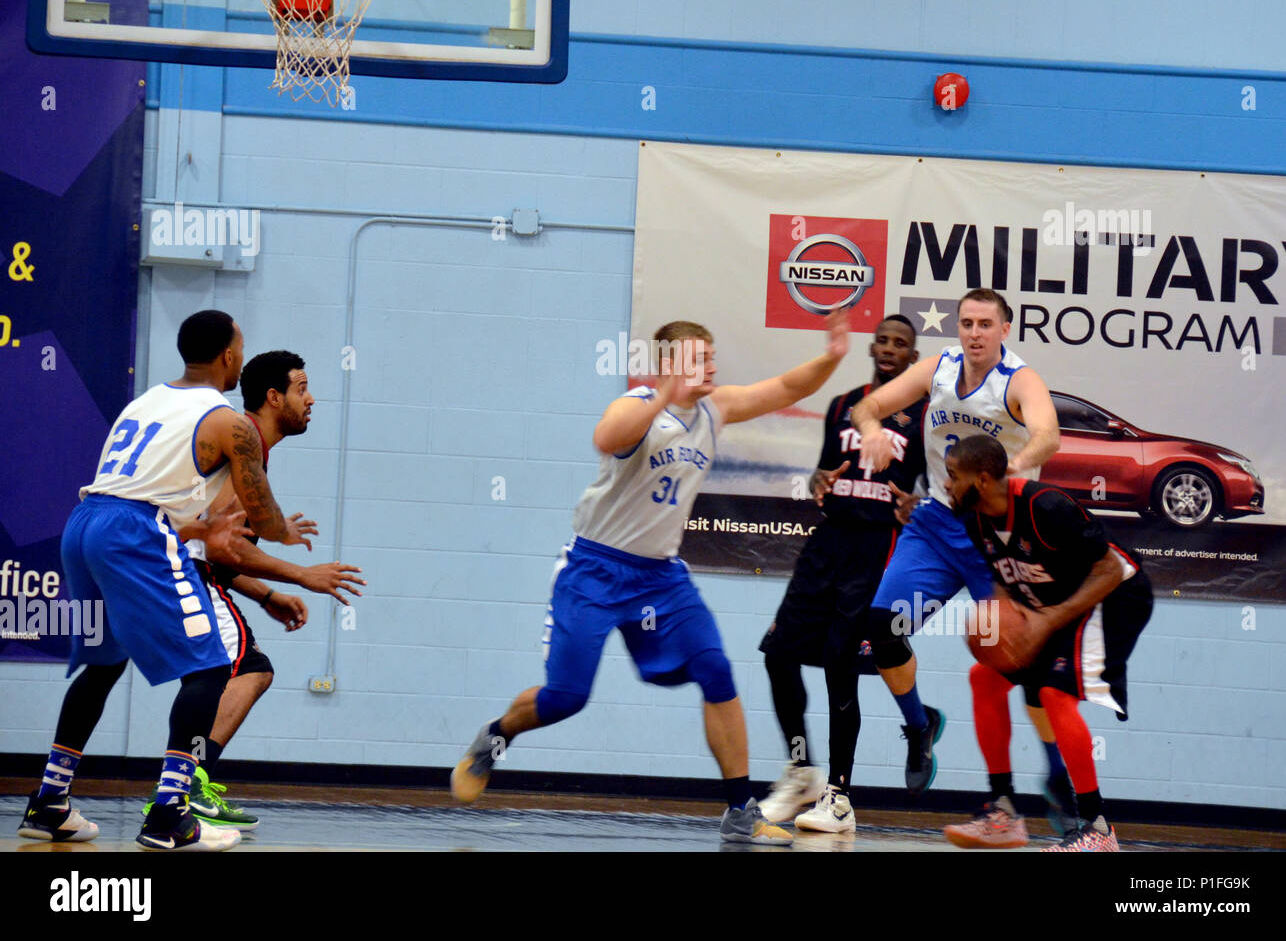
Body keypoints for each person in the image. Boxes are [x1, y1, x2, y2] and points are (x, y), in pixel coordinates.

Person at [451, 311, 850, 844]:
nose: (711, 365)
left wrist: (831, 357)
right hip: (594, 568)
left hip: (660, 577)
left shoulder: (716, 408)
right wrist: (662, 394)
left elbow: (783, 388)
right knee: (566, 697)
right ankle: (494, 738)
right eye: (699, 358)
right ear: (669, 365)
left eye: (711, 356)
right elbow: (605, 436)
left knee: (716, 670)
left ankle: (739, 810)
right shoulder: (638, 406)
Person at [18, 311, 313, 851]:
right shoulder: (231, 422)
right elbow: (264, 520)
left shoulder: (146, 401)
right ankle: (168, 815)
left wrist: (196, 525)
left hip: (84, 524)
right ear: (228, 356)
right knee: (209, 667)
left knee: (104, 664)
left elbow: (136, 490)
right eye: (240, 349)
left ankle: (48, 801)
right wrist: (287, 533)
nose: (241, 358)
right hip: (135, 532)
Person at [851, 289, 1073, 822]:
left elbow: (1049, 435)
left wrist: (1001, 474)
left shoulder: (1020, 381)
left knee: (1023, 662)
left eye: (985, 324)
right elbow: (871, 404)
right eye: (967, 323)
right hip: (937, 524)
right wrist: (871, 430)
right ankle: (919, 724)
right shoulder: (939, 369)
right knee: (882, 628)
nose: (974, 332)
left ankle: (1056, 773)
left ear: (1005, 329)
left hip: (1000, 531)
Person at [144, 351, 367, 829]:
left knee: (223, 673)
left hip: (157, 560)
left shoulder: (248, 446)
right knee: (248, 668)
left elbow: (220, 551)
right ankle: (185, 786)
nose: (312, 400)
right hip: (175, 566)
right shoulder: (245, 443)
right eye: (302, 389)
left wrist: (266, 595)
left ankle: (177, 787)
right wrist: (303, 576)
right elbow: (222, 554)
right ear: (273, 397)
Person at [940, 435, 1153, 851]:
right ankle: (1003, 813)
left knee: (1055, 694)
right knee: (984, 677)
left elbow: (1110, 569)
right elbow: (1001, 580)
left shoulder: (1046, 506)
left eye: (952, 476)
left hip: (1115, 596)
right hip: (1053, 604)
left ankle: (1098, 829)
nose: (946, 485)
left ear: (982, 480)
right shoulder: (975, 519)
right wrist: (1001, 621)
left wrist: (1046, 622)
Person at [756, 315, 926, 832]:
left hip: (876, 547)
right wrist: (817, 480)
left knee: (839, 666)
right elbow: (823, 472)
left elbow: (937, 488)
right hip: (828, 541)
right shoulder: (842, 405)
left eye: (902, 343)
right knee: (778, 654)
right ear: (873, 348)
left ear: (913, 357)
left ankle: (840, 796)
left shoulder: (923, 417)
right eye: (884, 340)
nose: (890, 348)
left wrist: (914, 504)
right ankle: (802, 768)